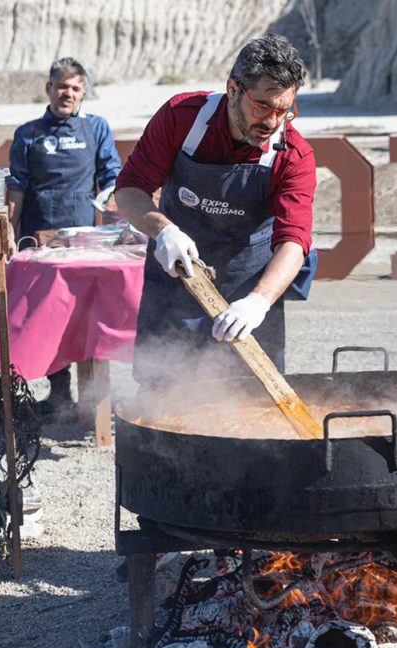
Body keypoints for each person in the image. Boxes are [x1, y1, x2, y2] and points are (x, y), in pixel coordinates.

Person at [115, 34, 316, 388]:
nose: (272, 122)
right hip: (177, 278)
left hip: (249, 288)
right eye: (263, 107)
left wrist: (258, 301)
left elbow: (294, 242)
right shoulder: (182, 119)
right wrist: (164, 230)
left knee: (250, 402)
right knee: (163, 394)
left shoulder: (293, 154)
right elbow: (130, 190)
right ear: (233, 89)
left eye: (284, 110)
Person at [6, 57, 123, 416]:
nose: (67, 94)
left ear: (84, 92)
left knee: (87, 317)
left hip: (87, 242)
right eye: (61, 86)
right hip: (40, 241)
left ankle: (94, 400)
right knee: (50, 318)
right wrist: (9, 233)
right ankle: (59, 394)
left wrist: (119, 226)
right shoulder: (27, 134)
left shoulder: (97, 128)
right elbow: (17, 189)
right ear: (49, 89)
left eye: (74, 88)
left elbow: (112, 176)